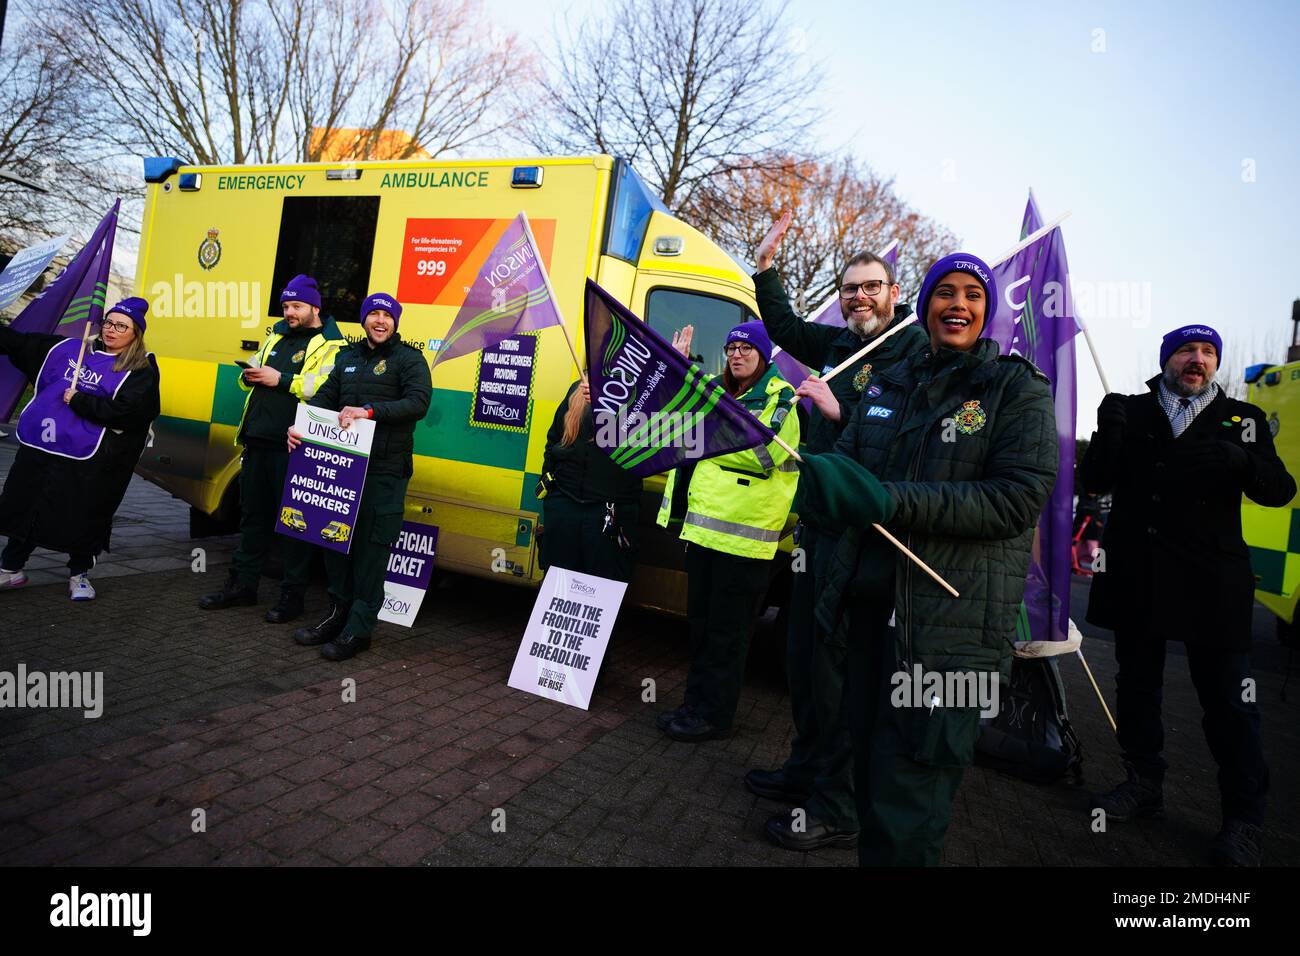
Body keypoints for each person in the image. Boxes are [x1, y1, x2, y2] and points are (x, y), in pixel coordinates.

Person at [797, 253, 1058, 866]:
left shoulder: (1015, 388)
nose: (958, 305)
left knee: (910, 804)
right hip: (865, 618)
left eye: (972, 294)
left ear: (988, 310)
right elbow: (854, 459)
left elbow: (1015, 499)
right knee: (869, 781)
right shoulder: (889, 379)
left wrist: (889, 500)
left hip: (950, 635)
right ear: (925, 305)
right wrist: (824, 478)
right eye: (945, 292)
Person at [743, 211, 928, 852]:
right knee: (802, 663)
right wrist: (766, 267)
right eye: (850, 289)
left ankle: (838, 806)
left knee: (841, 677)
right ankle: (804, 769)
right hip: (814, 533)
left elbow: (896, 441)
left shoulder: (909, 352)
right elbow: (786, 328)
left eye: (871, 287)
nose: (859, 297)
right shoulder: (840, 345)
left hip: (862, 543)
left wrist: (836, 408)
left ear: (894, 294)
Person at [1082, 325, 1295, 866]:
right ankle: (1143, 784)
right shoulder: (1127, 408)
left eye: (1208, 352)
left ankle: (1244, 819)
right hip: (1138, 574)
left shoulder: (1242, 420)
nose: (1197, 359)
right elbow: (1095, 481)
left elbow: (1279, 489)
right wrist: (1107, 434)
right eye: (1186, 350)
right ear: (1167, 359)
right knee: (1136, 688)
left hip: (1211, 583)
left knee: (1229, 701)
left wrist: (1244, 462)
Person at [654, 320, 801, 742]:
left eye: (747, 348)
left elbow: (764, 454)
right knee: (700, 629)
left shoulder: (781, 397)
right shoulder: (717, 393)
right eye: (731, 347)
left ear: (763, 354)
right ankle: (693, 705)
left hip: (743, 543)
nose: (737, 354)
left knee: (727, 637)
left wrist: (709, 427)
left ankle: (714, 717)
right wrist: (680, 374)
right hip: (702, 534)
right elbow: (675, 428)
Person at [289, 292, 432, 661]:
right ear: (364, 320)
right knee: (335, 543)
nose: (380, 321)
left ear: (395, 322)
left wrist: (370, 411)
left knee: (370, 551)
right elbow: (323, 398)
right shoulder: (347, 358)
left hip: (384, 472)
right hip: (341, 470)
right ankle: (336, 617)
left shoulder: (410, 360)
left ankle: (359, 629)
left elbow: (418, 404)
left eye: (387, 315)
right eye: (374, 314)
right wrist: (300, 426)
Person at [198, 274, 345, 622]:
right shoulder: (277, 335)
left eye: (296, 306)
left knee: (294, 525)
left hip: (294, 446)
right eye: (285, 306)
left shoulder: (331, 344)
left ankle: (292, 597)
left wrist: (281, 379)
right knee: (252, 519)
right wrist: (249, 374)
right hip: (257, 441)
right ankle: (242, 587)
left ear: (314, 307)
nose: (289, 312)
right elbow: (253, 374)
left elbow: (324, 388)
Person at [0, 298, 160, 600]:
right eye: (109, 323)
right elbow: (18, 344)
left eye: (121, 326)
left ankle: (79, 575)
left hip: (89, 459)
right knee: (27, 508)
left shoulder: (141, 370)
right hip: (42, 449)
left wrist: (80, 401)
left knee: (81, 515)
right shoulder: (67, 350)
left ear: (135, 333)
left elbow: (131, 412)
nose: (111, 330)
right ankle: (11, 568)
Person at [537, 377, 642, 582]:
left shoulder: (640, 393)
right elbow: (553, 442)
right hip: (564, 507)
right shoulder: (578, 388)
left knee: (599, 587)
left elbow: (652, 443)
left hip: (608, 512)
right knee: (559, 585)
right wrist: (553, 495)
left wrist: (607, 408)